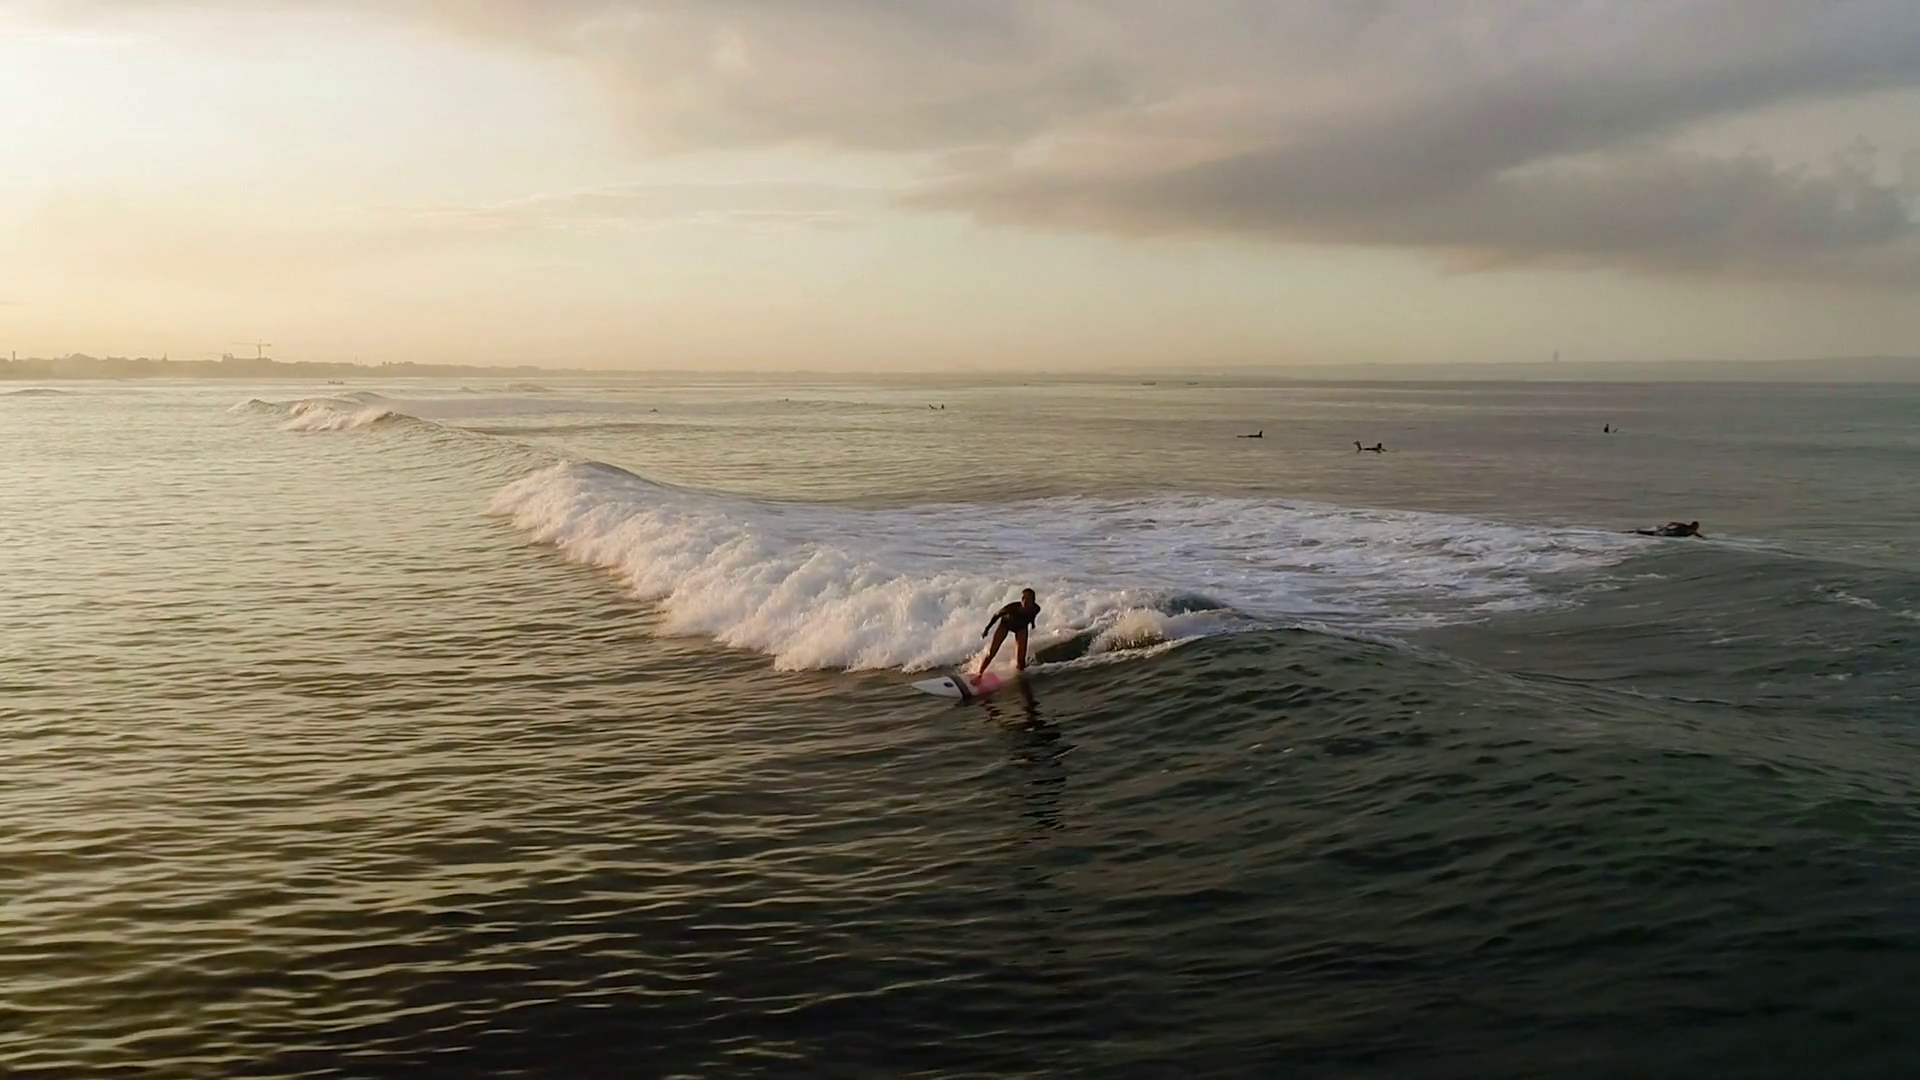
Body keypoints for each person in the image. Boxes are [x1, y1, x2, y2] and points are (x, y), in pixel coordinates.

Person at [978, 588, 1041, 676]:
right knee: (992, 652)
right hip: (1005, 625)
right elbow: (996, 615)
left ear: (1033, 601)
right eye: (1023, 598)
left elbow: (1032, 616)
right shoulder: (1012, 608)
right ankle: (980, 673)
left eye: (1027, 599)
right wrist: (986, 629)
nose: (1024, 601)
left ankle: (1020, 674)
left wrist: (1033, 624)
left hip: (1021, 628)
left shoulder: (1036, 609)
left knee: (1021, 660)